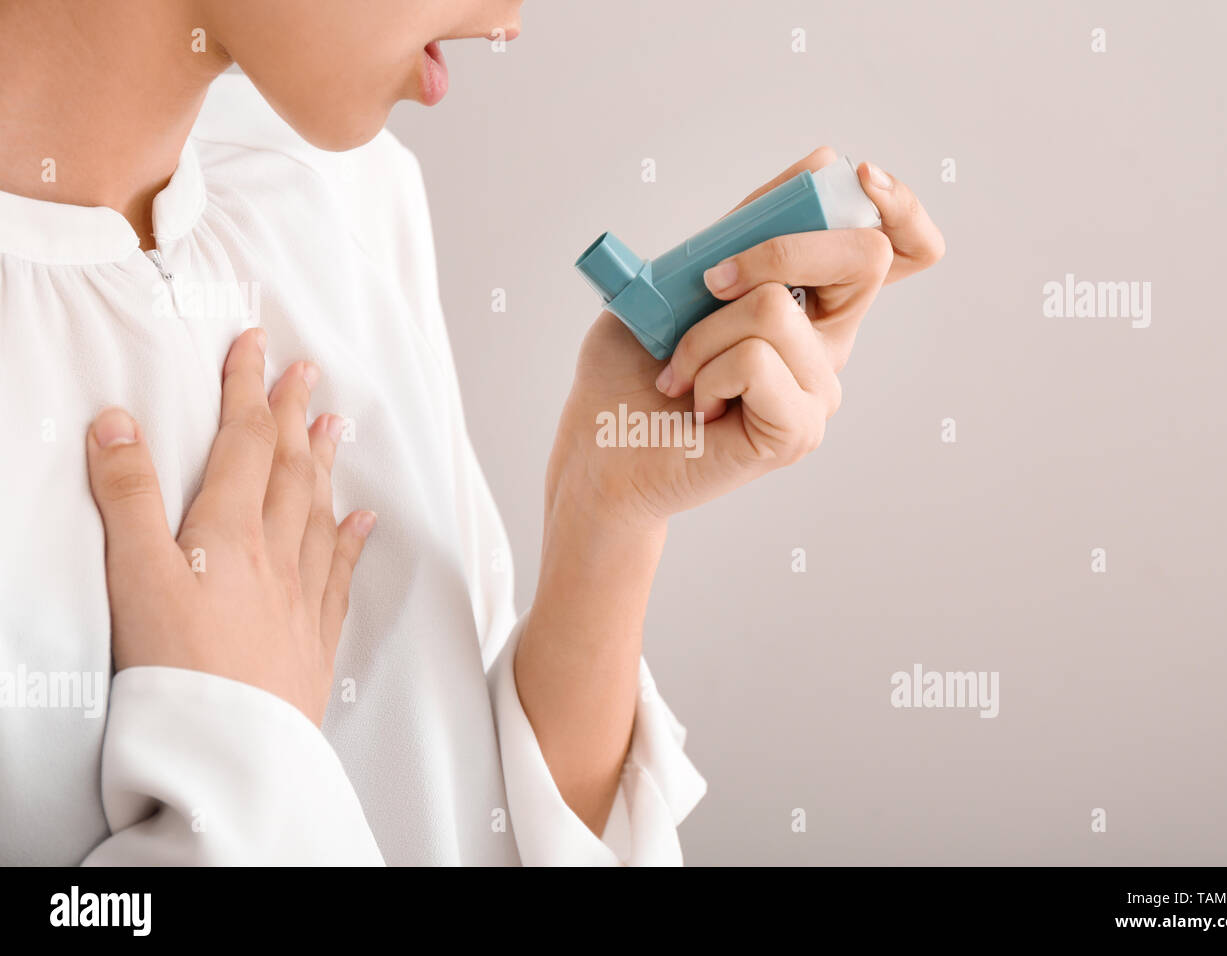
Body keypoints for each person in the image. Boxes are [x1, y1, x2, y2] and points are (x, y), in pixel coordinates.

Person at [0, 0, 944, 865]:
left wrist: (604, 515)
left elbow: (458, 822)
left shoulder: (340, 197)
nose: (509, 19)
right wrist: (247, 753)